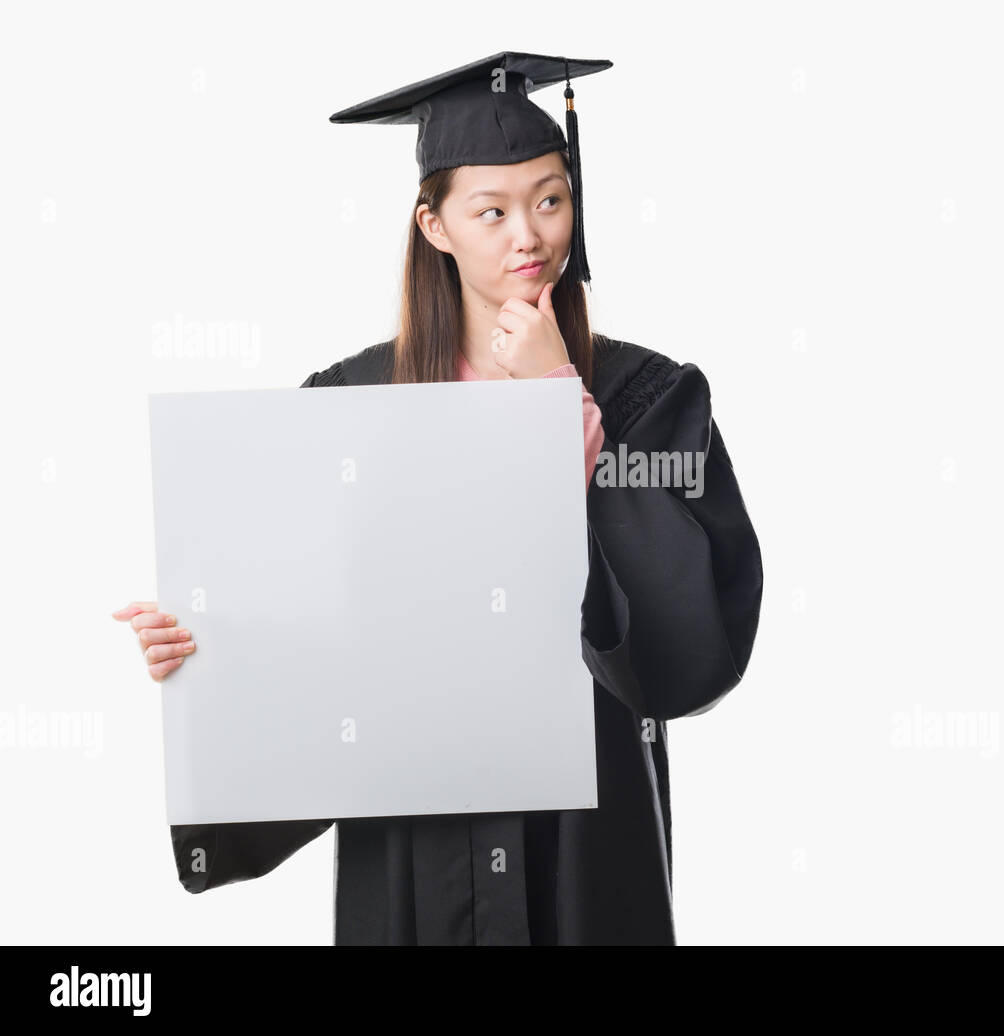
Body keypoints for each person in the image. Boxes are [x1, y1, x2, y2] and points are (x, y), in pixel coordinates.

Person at [113, 51, 763, 945]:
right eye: (490, 211)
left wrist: (562, 410)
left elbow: (691, 645)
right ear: (435, 224)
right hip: (412, 835)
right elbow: (304, 628)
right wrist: (203, 650)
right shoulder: (348, 404)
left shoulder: (645, 395)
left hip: (586, 834)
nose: (527, 235)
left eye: (549, 198)